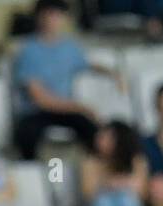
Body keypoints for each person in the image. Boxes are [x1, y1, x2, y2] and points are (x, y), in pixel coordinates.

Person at [10, 0, 123, 160]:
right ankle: (32, 175)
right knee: (27, 134)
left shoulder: (69, 47)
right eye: (49, 14)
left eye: (57, 15)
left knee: (96, 132)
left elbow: (86, 64)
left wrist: (113, 73)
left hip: (66, 111)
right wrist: (80, 107)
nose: (53, 19)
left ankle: (97, 171)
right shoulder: (28, 51)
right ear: (39, 17)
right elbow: (40, 99)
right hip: (37, 112)